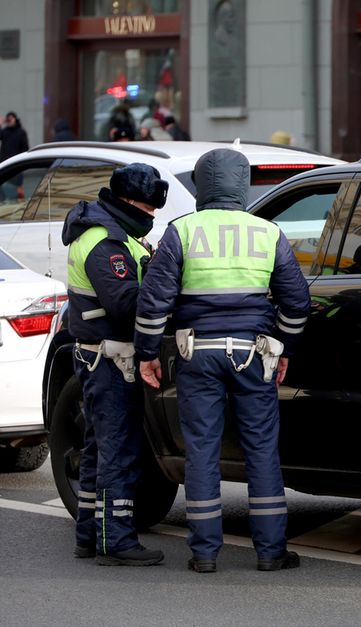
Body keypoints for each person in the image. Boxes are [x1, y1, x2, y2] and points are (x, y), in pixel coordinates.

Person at [135, 148, 310, 574]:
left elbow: (154, 302)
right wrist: (281, 345)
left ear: (201, 186)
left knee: (201, 450)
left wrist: (146, 354)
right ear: (242, 185)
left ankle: (205, 553)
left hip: (198, 352)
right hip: (253, 352)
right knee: (262, 449)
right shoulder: (267, 232)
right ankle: (271, 552)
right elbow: (297, 303)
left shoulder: (182, 231)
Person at [62, 163, 168, 566]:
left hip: (103, 355)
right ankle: (116, 540)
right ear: (126, 201)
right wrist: (164, 287)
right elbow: (125, 304)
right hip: (110, 359)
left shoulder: (119, 233)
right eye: (147, 206)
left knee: (97, 448)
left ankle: (89, 534)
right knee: (118, 449)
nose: (152, 215)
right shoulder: (106, 242)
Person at [1, 112, 29, 198]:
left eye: (11, 118)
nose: (10, 120)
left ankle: (21, 203)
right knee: (2, 186)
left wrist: (22, 161)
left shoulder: (21, 132)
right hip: (4, 162)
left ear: (16, 119)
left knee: (18, 187)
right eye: (8, 118)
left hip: (16, 163)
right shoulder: (5, 131)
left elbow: (25, 148)